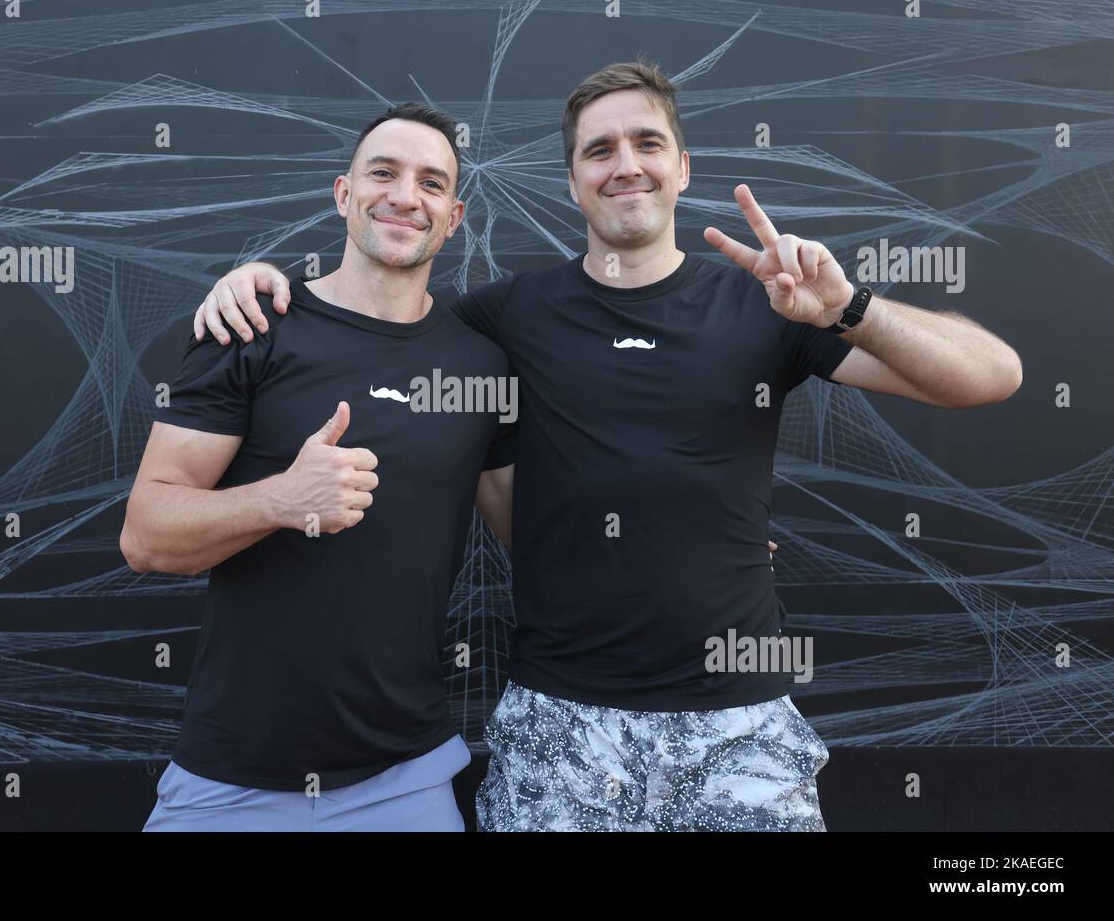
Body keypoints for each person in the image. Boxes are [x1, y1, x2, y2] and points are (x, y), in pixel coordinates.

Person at [192, 60, 1023, 831]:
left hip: (742, 725)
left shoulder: (775, 302)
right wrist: (263, 287)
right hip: (561, 726)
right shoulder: (504, 318)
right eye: (600, 150)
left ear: (683, 167)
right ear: (573, 182)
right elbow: (378, 316)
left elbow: (993, 377)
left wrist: (850, 306)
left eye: (647, 143)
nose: (625, 164)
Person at [120, 103, 519, 831]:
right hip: (230, 779)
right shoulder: (250, 327)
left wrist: (700, 540)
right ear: (344, 193)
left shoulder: (480, 366)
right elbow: (145, 537)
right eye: (384, 173)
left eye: (432, 183)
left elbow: (540, 535)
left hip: (406, 779)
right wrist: (279, 500)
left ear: (454, 216)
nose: (406, 195)